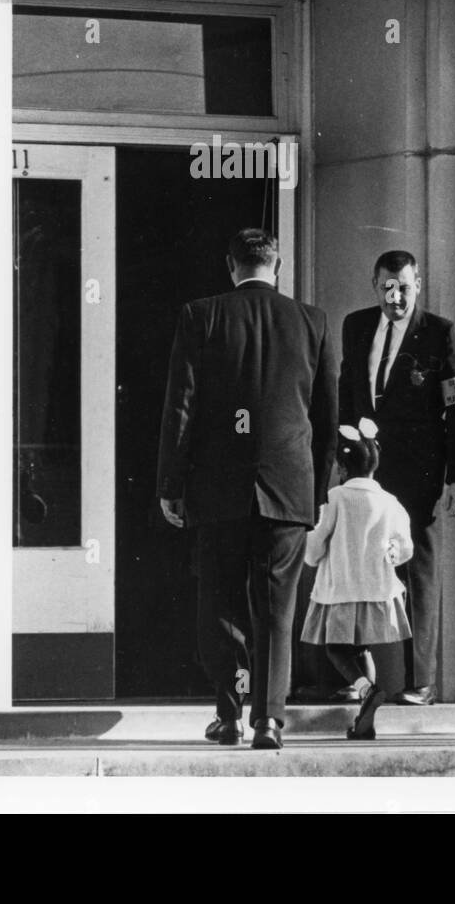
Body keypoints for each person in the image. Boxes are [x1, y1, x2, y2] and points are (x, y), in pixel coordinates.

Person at [157, 228, 337, 750]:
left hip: (217, 490)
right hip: (289, 491)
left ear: (231, 265)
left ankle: (230, 713)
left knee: (221, 602)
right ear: (276, 265)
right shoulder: (312, 321)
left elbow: (181, 407)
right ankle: (270, 721)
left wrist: (172, 483)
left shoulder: (201, 315)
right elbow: (327, 417)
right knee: (278, 611)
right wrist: (316, 490)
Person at [338, 250, 455, 705]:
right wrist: (343, 459)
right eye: (387, 288)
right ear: (374, 285)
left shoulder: (441, 334)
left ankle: (421, 683)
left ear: (419, 284)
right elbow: (346, 393)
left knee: (418, 573)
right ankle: (357, 677)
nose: (396, 297)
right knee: (356, 565)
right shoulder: (356, 327)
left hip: (419, 475)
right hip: (364, 473)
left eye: (405, 287)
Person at [301, 420, 414, 740]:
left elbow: (316, 539)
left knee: (336, 649)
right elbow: (404, 546)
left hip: (340, 589)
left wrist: (312, 558)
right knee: (362, 649)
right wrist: (390, 555)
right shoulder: (389, 501)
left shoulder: (335, 497)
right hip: (375, 589)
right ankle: (366, 719)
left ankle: (366, 690)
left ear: (340, 466)